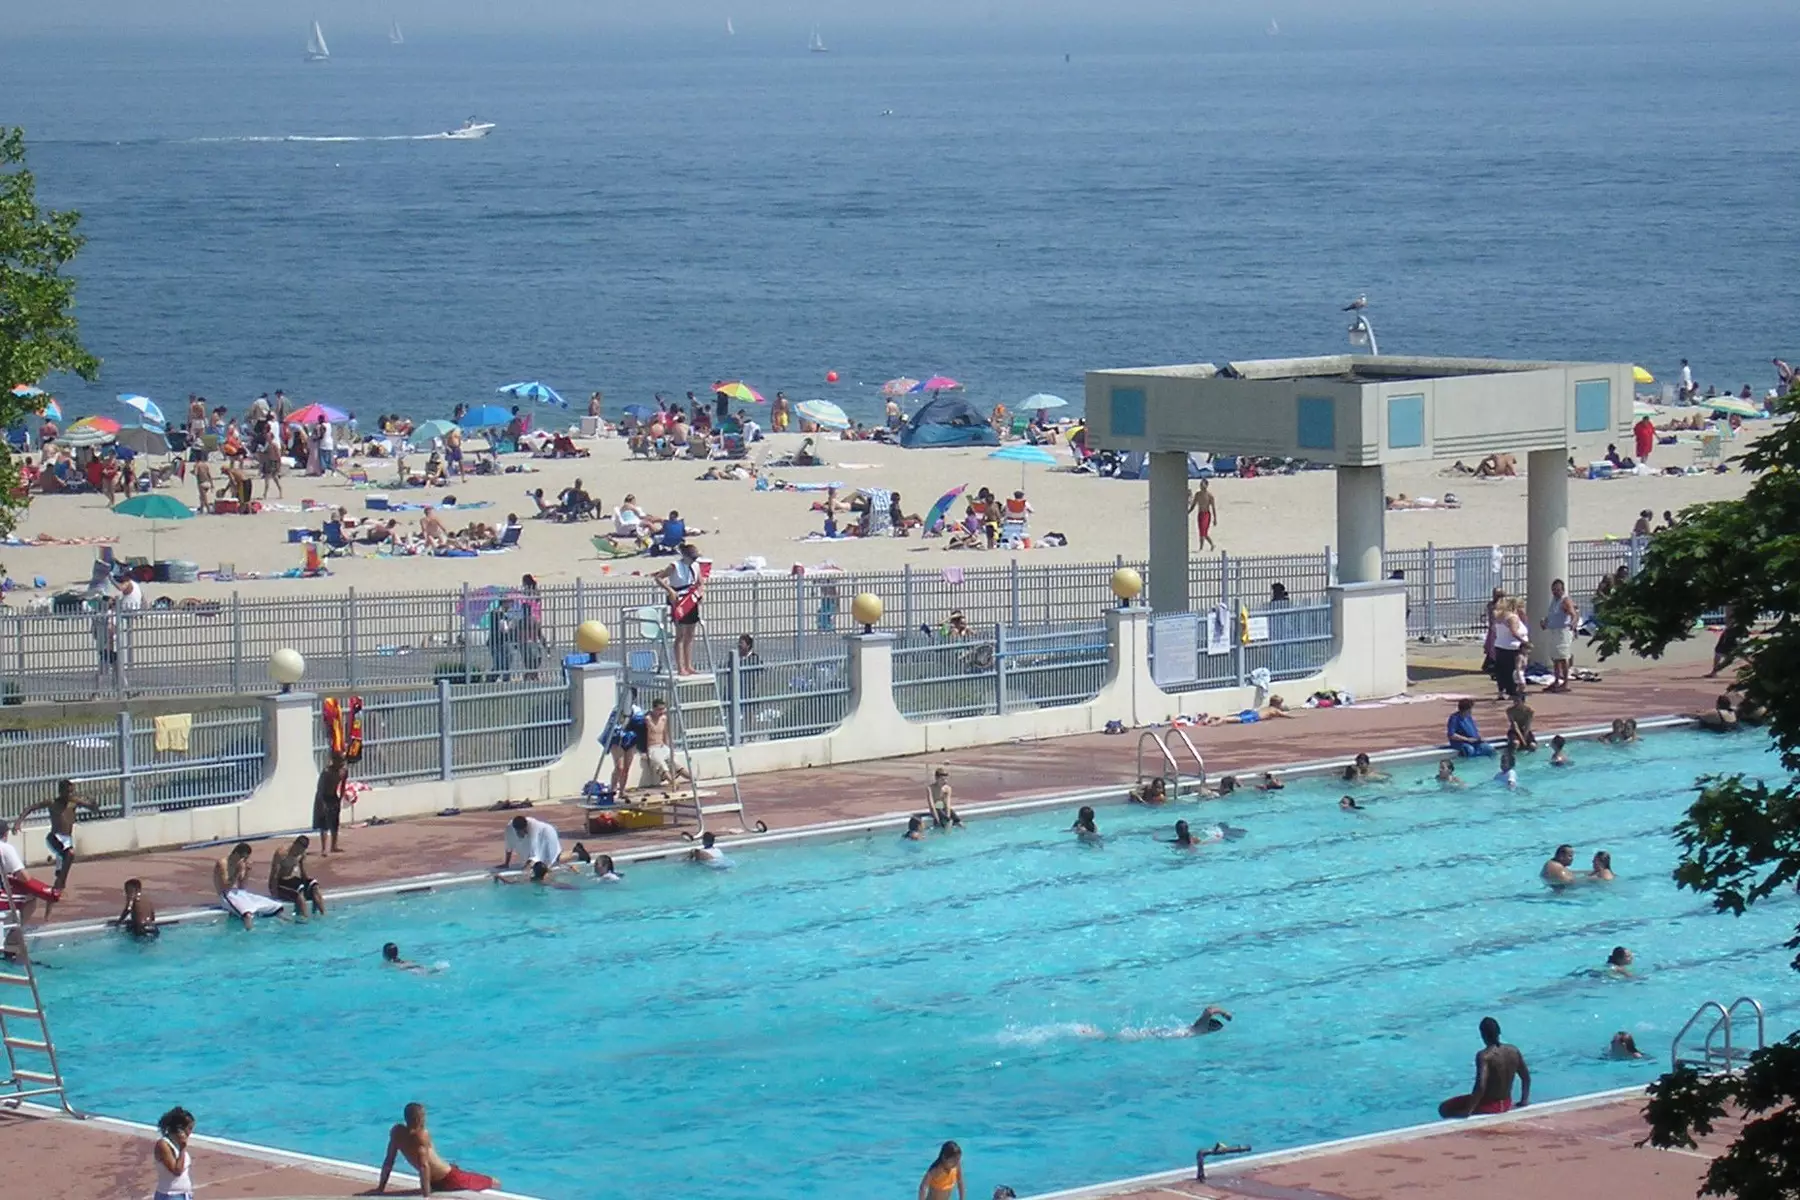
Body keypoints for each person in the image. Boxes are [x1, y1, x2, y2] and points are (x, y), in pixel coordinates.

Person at [377, 1101, 500, 1196]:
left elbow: (389, 1160)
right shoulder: (421, 1135)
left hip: (437, 1179)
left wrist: (380, 1188)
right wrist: (426, 1195)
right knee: (492, 1181)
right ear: (419, 1119)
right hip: (449, 1178)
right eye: (423, 1116)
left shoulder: (397, 1132)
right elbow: (424, 1166)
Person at [12, 778, 99, 893]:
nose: (70, 795)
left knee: (63, 866)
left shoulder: (74, 802)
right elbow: (30, 808)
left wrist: (94, 804)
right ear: (60, 791)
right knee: (70, 854)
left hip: (67, 840)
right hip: (54, 837)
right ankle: (60, 884)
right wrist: (18, 823)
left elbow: (94, 809)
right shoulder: (52, 802)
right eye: (67, 792)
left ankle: (58, 887)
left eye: (71, 792)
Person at [1438, 1017, 1530, 1118]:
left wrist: (1468, 1110)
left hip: (1489, 1106)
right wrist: (1523, 1100)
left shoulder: (1484, 1056)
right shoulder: (1514, 1050)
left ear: (1483, 1035)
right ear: (1499, 1032)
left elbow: (1480, 1086)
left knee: (1444, 1108)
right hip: (1506, 1103)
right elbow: (1526, 1077)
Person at [654, 542, 705, 676]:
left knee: (690, 633)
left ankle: (689, 665)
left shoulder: (695, 566)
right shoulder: (674, 566)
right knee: (680, 634)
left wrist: (700, 592)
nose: (694, 560)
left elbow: (700, 582)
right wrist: (670, 590)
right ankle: (680, 666)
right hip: (678, 600)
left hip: (691, 598)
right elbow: (658, 578)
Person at [213, 842, 284, 930]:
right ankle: (249, 933)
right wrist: (237, 872)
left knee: (276, 906)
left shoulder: (241, 863)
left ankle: (286, 926)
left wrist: (247, 871)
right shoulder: (223, 863)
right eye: (243, 858)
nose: (244, 860)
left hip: (240, 893)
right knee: (247, 914)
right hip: (226, 895)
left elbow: (242, 886)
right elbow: (225, 887)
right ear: (236, 854)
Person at [268, 836, 326, 920]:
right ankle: (304, 918)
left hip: (292, 880)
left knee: (314, 885)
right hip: (281, 882)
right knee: (300, 890)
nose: (300, 852)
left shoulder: (302, 854)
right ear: (295, 845)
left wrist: (308, 885)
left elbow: (303, 872)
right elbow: (274, 874)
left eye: (302, 850)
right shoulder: (282, 853)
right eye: (299, 849)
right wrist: (274, 892)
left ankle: (323, 916)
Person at [642, 698, 692, 789]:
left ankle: (693, 779)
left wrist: (669, 747)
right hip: (652, 747)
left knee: (675, 763)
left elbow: (665, 734)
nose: (661, 712)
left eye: (663, 709)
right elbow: (643, 735)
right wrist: (644, 751)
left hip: (663, 746)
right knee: (661, 765)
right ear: (653, 708)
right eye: (659, 709)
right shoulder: (647, 719)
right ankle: (673, 783)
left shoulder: (664, 718)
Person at [1540, 579, 1578, 693]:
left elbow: (1574, 614)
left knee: (1563, 657)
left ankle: (1565, 683)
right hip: (1553, 630)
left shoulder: (1565, 600)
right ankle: (1556, 681)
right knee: (1555, 658)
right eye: (1553, 590)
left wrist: (1573, 624)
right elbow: (1550, 615)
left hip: (1562, 631)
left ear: (1562, 590)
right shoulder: (1553, 601)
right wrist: (1545, 622)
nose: (1555, 592)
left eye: (1557, 590)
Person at [1489, 596, 1529, 701]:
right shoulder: (1512, 618)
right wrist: (1525, 642)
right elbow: (1514, 632)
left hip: (1500, 645)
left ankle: (1502, 691)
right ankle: (1514, 691)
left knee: (1502, 671)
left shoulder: (1499, 617)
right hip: (1513, 647)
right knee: (1515, 670)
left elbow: (1494, 629)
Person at [154, 1106, 197, 1200]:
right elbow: (176, 1171)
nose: (190, 1133)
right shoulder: (163, 1145)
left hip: (184, 1195)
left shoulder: (178, 1143)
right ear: (180, 1129)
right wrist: (183, 1149)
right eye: (189, 1128)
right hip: (170, 1195)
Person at [608, 701, 647, 798]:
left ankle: (622, 791)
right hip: (618, 740)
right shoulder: (617, 708)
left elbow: (641, 726)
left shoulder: (637, 710)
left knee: (626, 768)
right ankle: (612, 789)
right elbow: (613, 724)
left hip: (631, 739)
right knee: (619, 767)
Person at [313, 751, 347, 855]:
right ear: (334, 760)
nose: (341, 763)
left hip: (333, 797)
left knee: (335, 821)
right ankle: (324, 849)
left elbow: (343, 785)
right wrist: (322, 803)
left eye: (343, 761)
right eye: (340, 761)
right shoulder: (326, 772)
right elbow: (320, 788)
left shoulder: (343, 771)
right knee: (324, 823)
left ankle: (334, 846)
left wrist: (340, 798)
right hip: (323, 797)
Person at [1187, 479, 1218, 551]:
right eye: (1201, 484)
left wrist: (1215, 519)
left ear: (1206, 485)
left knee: (1203, 531)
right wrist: (1188, 512)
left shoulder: (1210, 496)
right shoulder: (1198, 494)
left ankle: (1201, 548)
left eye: (1202, 484)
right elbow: (1193, 505)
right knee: (1203, 532)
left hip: (1206, 514)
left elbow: (1213, 507)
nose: (1201, 486)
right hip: (1200, 514)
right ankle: (1212, 544)